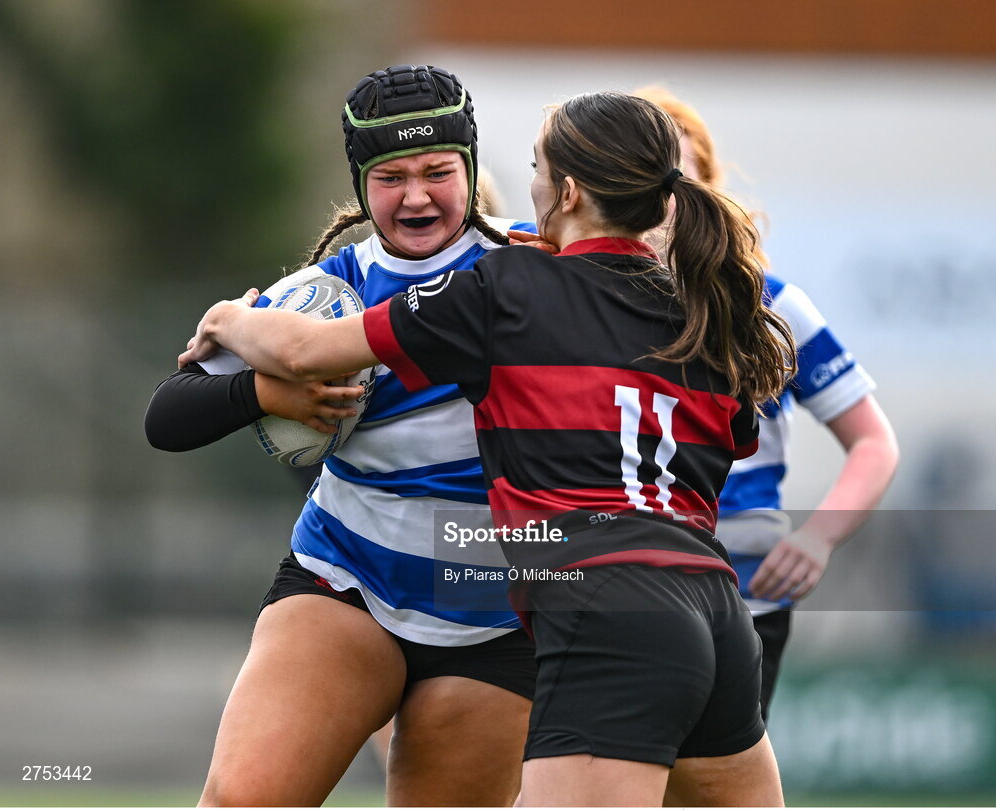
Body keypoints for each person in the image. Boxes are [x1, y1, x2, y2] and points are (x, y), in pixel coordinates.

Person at [178, 90, 798, 807]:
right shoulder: (701, 311)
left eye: (536, 168)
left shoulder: (510, 285)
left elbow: (305, 350)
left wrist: (228, 319)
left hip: (603, 607)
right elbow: (733, 441)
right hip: (716, 610)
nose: (528, 185)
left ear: (568, 192)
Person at [146, 65, 539, 807]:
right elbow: (167, 416)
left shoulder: (538, 275)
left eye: (438, 172)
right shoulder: (321, 296)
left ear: (470, 169)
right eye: (391, 177)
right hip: (347, 580)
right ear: (361, 186)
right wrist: (267, 391)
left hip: (495, 614)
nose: (416, 196)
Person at [634, 86, 900, 723]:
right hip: (618, 595)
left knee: (718, 774)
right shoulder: (574, 301)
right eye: (642, 177)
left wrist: (819, 538)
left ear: (710, 186)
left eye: (678, 177)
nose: (663, 199)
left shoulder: (772, 306)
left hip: (747, 599)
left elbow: (873, 441)